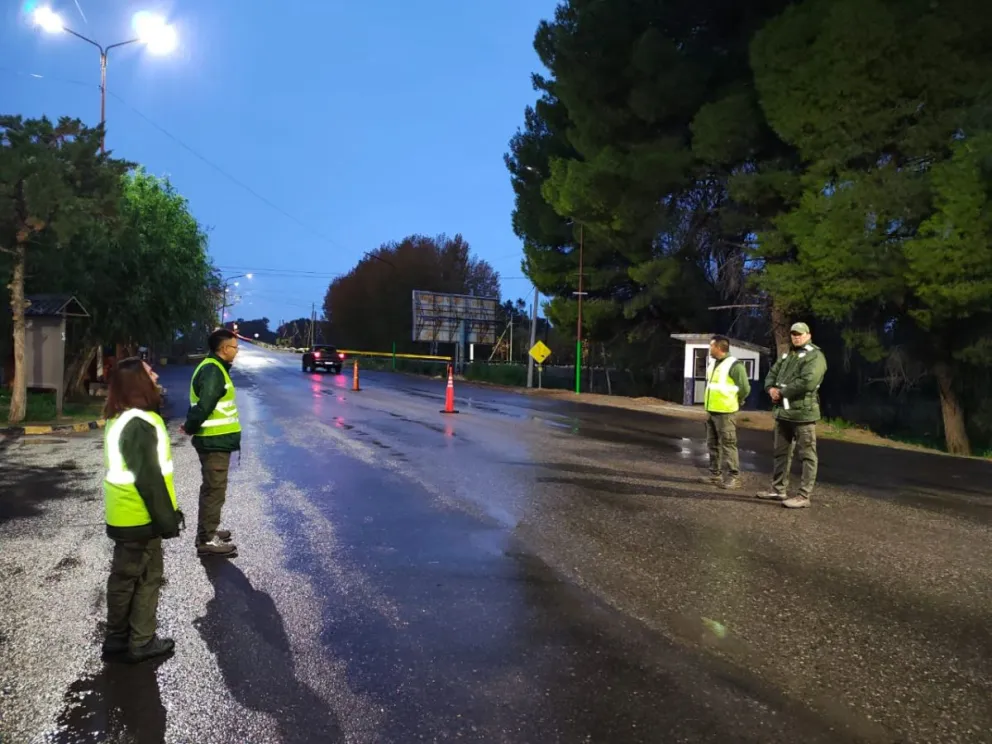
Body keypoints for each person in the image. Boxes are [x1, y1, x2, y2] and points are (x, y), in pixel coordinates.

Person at [102, 357, 184, 663]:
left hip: (123, 514)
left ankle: (117, 639)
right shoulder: (139, 422)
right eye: (150, 372)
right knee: (148, 577)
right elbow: (149, 479)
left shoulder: (119, 417)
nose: (156, 374)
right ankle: (142, 641)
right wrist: (168, 522)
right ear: (139, 382)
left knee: (123, 579)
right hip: (140, 517)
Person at [182, 328, 240, 556]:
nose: (237, 351)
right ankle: (207, 539)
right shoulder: (214, 371)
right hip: (214, 441)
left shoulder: (215, 368)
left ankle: (208, 530)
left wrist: (190, 425)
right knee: (214, 490)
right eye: (235, 347)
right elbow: (205, 405)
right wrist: (190, 426)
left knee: (211, 489)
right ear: (224, 349)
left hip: (216, 441)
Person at [757, 322, 828, 508]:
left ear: (808, 335)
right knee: (781, 453)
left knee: (807, 455)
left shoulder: (815, 356)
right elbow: (772, 373)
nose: (796, 337)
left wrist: (782, 392)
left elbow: (808, 382)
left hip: (803, 414)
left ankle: (804, 496)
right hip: (783, 413)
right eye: (793, 334)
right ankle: (778, 489)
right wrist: (770, 388)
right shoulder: (788, 354)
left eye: (800, 334)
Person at [699, 335, 751, 490]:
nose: (709, 349)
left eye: (711, 346)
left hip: (726, 411)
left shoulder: (735, 365)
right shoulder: (714, 363)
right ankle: (715, 474)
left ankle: (734, 477)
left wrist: (737, 400)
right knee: (712, 444)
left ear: (719, 348)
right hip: (712, 410)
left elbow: (745, 388)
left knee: (728, 445)